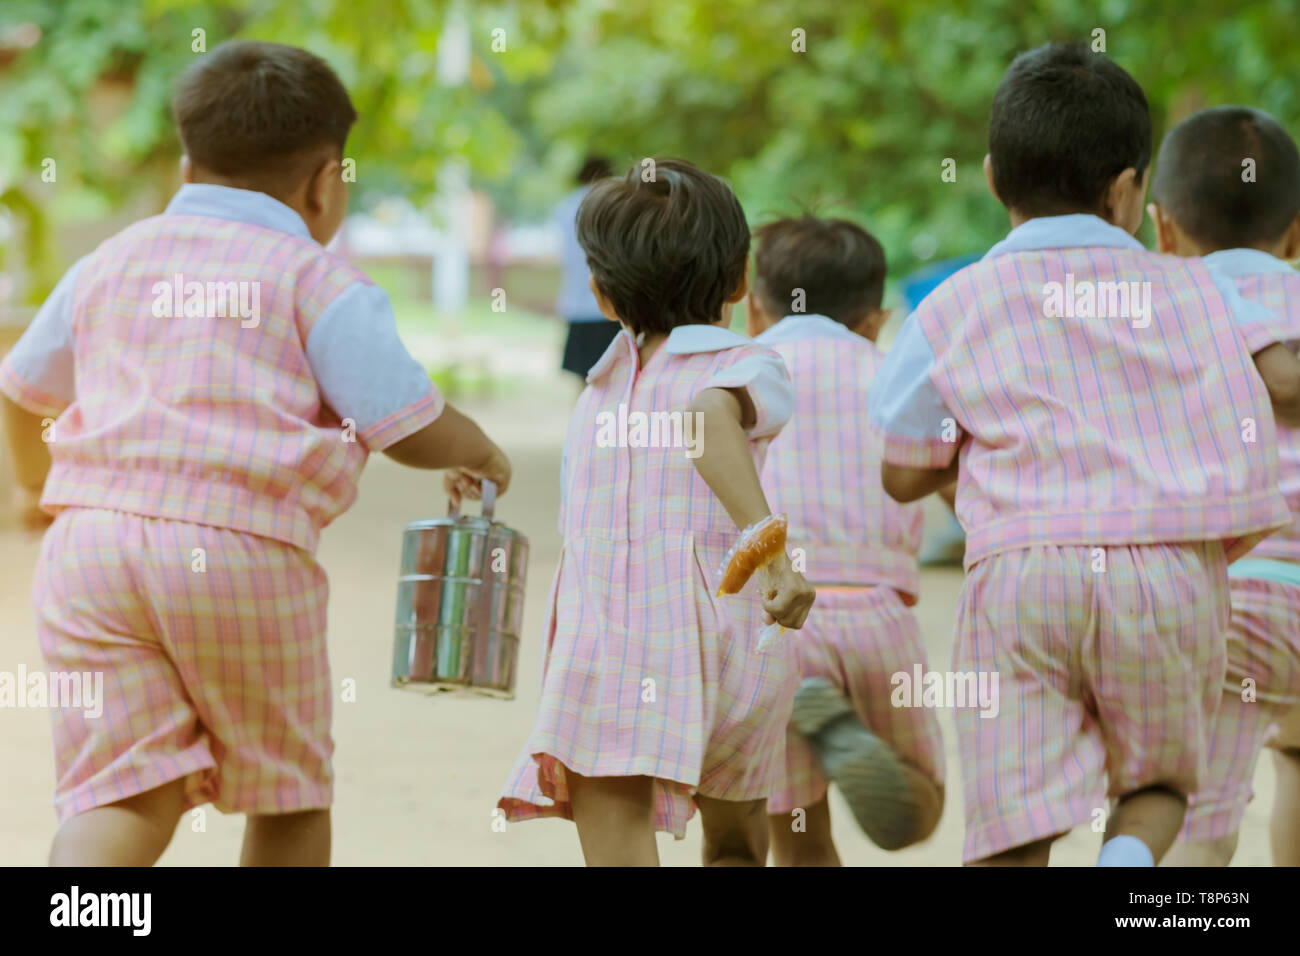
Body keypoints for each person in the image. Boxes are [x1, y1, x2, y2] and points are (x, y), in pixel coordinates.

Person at [0, 40, 511, 866]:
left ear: (184, 163)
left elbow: (22, 392)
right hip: (240, 556)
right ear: (323, 180)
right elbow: (404, 419)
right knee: (286, 794)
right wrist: (482, 451)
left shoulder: (110, 263)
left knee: (119, 791)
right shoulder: (316, 280)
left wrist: (31, 490)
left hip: (87, 550)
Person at [867, 42, 1300, 866]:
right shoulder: (1202, 297)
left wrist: (977, 462)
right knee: (1162, 786)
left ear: (993, 178)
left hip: (1024, 577)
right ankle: (1127, 861)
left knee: (1015, 819)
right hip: (1168, 579)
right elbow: (1244, 450)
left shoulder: (957, 302)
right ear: (1129, 192)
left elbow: (900, 465)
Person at [498, 158, 816, 866]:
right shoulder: (751, 363)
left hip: (615, 645)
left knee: (615, 831)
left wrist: (772, 551)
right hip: (738, 645)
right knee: (735, 843)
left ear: (601, 295)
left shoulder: (611, 391)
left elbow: (705, 421)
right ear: (740, 280)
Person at [746, 216, 944, 865]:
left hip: (776, 619)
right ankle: (857, 739)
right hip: (876, 611)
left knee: (799, 837)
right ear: (874, 319)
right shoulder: (893, 373)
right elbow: (950, 483)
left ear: (753, 309)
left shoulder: (741, 382)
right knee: (922, 809)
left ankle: (825, 727)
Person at [1147, 105, 1300, 866]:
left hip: (1226, 599)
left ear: (1161, 229)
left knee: (1198, 821)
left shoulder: (1165, 309)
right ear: (1297, 231)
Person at [555, 155, 619, 384]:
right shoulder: (613, 203)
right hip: (610, 306)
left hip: (576, 304)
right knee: (614, 378)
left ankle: (584, 417)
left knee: (585, 381)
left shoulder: (566, 206)